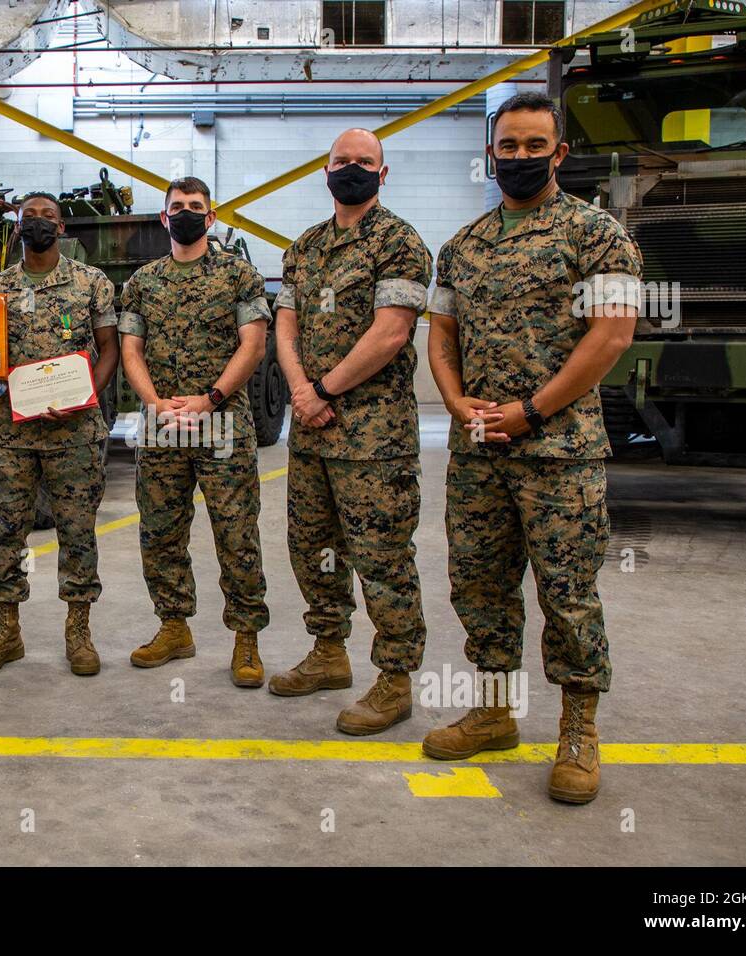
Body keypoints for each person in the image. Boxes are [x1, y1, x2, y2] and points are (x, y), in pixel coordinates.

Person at [423, 91, 641, 804]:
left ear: (559, 152)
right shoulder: (462, 245)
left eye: (532, 145)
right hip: (480, 449)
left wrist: (531, 411)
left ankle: (578, 731)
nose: (518, 157)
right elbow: (443, 335)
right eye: (507, 146)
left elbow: (610, 335)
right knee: (480, 588)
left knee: (568, 594)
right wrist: (456, 404)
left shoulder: (597, 234)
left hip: (560, 452)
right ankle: (493, 711)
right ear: (490, 153)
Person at [270, 128, 432, 735]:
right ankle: (328, 652)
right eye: (343, 161)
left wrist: (325, 390)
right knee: (313, 549)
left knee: (382, 557)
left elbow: (391, 333)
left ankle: (394, 680)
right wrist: (299, 391)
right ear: (325, 169)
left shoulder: (400, 243)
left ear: (383, 175)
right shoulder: (305, 245)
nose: (353, 169)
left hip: (373, 437)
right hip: (312, 431)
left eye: (365, 162)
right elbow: (285, 326)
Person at [0, 192, 119, 677]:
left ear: (62, 228)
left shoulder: (90, 283)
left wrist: (84, 395)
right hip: (11, 433)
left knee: (77, 532)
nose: (38, 223)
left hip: (74, 433)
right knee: (5, 533)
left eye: (49, 217)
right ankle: (7, 632)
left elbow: (108, 352)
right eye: (29, 217)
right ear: (17, 226)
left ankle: (78, 633)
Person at [117, 176, 272, 686]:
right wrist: (156, 403)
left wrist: (210, 400)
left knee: (236, 535)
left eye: (195, 206)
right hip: (163, 426)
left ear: (211, 217)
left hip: (221, 422)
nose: (185, 213)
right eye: (176, 206)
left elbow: (251, 345)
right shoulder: (142, 282)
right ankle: (174, 627)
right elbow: (130, 351)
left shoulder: (238, 275)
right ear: (164, 218)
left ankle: (245, 639)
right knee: (160, 533)